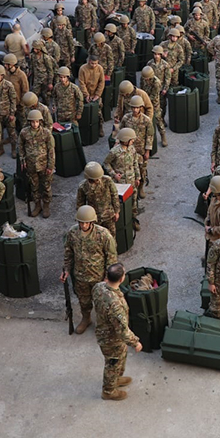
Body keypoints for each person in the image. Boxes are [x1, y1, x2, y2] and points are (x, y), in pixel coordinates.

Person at [62, 205, 118, 335]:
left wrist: (108, 277)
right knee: (84, 300)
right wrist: (66, 270)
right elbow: (68, 253)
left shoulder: (103, 234)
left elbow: (111, 256)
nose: (84, 225)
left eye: (86, 222)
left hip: (98, 277)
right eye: (81, 222)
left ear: (92, 221)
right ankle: (86, 319)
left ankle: (103, 324)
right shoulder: (72, 233)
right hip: (80, 276)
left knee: (102, 303)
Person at [92, 263, 142, 401]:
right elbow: (122, 331)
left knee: (119, 360)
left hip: (104, 330)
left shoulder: (98, 287)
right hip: (111, 339)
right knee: (112, 363)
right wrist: (135, 343)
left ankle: (116, 379)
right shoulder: (115, 305)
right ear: (121, 279)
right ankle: (108, 391)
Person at [18, 109, 55, 218]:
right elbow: (20, 147)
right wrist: (22, 160)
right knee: (34, 186)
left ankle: (46, 205)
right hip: (31, 165)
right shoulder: (24, 133)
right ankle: (37, 205)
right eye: (33, 122)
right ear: (29, 122)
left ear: (40, 122)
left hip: (44, 165)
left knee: (46, 186)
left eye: (37, 122)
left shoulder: (46, 133)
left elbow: (51, 150)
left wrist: (50, 166)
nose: (35, 124)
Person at [104, 127, 142, 231]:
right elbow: (106, 163)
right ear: (125, 140)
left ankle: (133, 219)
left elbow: (135, 163)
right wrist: (114, 174)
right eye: (131, 139)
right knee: (121, 204)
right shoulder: (114, 152)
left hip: (131, 181)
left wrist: (138, 177)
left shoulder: (132, 149)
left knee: (133, 201)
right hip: (120, 183)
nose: (133, 141)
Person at [116, 95, 154, 198]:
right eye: (133, 107)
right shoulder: (126, 118)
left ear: (141, 107)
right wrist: (117, 142)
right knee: (128, 170)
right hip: (127, 149)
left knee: (142, 170)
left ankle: (141, 187)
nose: (135, 110)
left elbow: (150, 136)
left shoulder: (146, 120)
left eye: (137, 107)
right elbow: (120, 131)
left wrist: (147, 151)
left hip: (140, 150)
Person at [77, 162, 121, 241]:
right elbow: (80, 204)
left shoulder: (107, 181)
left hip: (108, 215)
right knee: (95, 239)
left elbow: (114, 195)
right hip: (93, 217)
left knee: (111, 238)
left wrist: (117, 211)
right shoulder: (83, 187)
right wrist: (83, 220)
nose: (96, 180)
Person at [78, 54, 106, 137]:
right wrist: (86, 95)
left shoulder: (100, 68)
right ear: (88, 62)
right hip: (85, 94)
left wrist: (97, 95)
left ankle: (100, 128)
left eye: (95, 63)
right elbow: (81, 83)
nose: (94, 65)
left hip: (96, 94)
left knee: (98, 113)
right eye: (92, 63)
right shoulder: (82, 69)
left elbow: (102, 82)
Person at [139, 66, 167, 148]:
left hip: (154, 103)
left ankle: (163, 136)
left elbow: (154, 96)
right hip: (144, 102)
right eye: (145, 78)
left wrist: (144, 101)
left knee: (158, 119)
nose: (146, 80)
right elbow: (141, 89)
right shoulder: (143, 78)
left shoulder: (156, 82)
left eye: (147, 78)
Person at [28, 39, 55, 106]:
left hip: (45, 79)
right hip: (36, 79)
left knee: (46, 96)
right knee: (34, 95)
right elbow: (32, 65)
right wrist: (30, 72)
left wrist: (50, 83)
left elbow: (50, 71)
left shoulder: (46, 58)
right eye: (34, 49)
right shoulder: (33, 56)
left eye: (36, 49)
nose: (35, 50)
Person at [3, 54, 29, 118]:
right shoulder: (5, 73)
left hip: (19, 104)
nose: (5, 66)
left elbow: (25, 90)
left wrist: (21, 104)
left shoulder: (21, 75)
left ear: (12, 64)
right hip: (8, 104)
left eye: (7, 64)